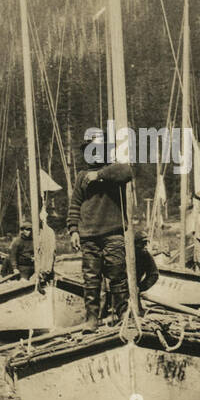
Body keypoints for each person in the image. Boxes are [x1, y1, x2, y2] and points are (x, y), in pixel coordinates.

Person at [67, 131, 134, 327]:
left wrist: (100, 174)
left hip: (113, 233)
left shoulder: (115, 172)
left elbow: (127, 172)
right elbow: (74, 205)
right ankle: (92, 318)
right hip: (88, 236)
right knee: (91, 279)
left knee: (117, 276)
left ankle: (123, 314)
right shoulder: (81, 177)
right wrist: (73, 230)